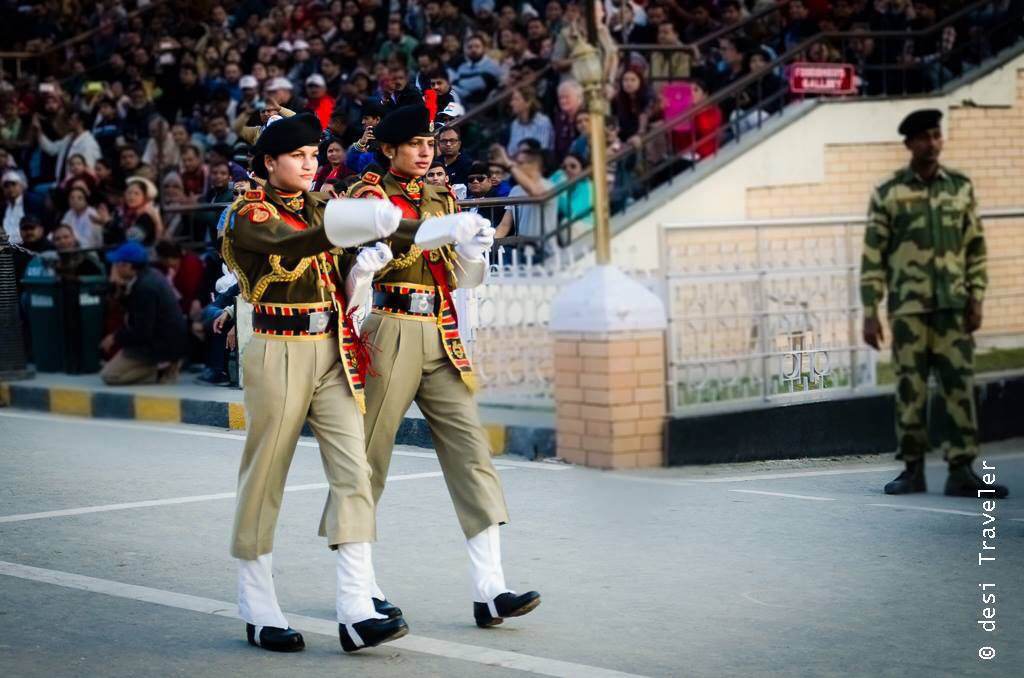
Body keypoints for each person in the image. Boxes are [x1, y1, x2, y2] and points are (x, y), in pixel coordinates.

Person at [347, 100, 541, 629]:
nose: (426, 150)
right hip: (390, 325)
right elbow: (390, 243)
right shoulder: (370, 193)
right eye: (415, 143)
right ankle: (359, 585)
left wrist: (475, 251)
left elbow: (463, 279)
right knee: (367, 458)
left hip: (441, 329)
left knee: (472, 454)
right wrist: (449, 229)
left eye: (430, 142)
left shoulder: (443, 195)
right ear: (388, 149)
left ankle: (491, 588)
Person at [220, 112, 410, 654]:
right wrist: (365, 224)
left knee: (355, 470)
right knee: (266, 475)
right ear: (268, 163)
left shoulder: (323, 206)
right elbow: (301, 243)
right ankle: (257, 606)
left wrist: (428, 231)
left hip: (332, 349)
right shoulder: (248, 213)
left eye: (312, 155)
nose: (308, 163)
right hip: (279, 347)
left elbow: (378, 232)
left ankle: (355, 609)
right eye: (296, 156)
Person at [861, 109, 1008, 499]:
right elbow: (873, 255)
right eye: (924, 137)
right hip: (908, 311)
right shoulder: (889, 192)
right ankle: (912, 470)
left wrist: (976, 296)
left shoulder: (960, 187)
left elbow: (975, 246)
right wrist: (870, 310)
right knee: (911, 389)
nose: (932, 142)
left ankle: (962, 470)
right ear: (908, 144)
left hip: (953, 308)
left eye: (936, 135)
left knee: (959, 386)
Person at [99, 240, 187, 385]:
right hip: (159, 340)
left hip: (160, 345)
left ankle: (162, 370)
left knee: (109, 375)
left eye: (117, 264)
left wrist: (115, 338)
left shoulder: (145, 287)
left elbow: (141, 330)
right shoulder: (147, 276)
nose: (113, 268)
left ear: (127, 266)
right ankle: (161, 366)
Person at [493, 145, 556, 258]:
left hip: (544, 251)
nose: (517, 167)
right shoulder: (515, 190)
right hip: (523, 250)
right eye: (517, 163)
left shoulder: (547, 186)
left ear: (537, 165)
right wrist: (488, 244)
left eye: (522, 163)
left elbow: (535, 192)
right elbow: (504, 226)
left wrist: (508, 163)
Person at [506, 87, 554, 155]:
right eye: (512, 100)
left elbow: (541, 151)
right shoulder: (514, 124)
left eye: (516, 99)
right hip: (518, 163)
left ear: (527, 103)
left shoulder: (543, 122)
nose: (511, 103)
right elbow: (511, 151)